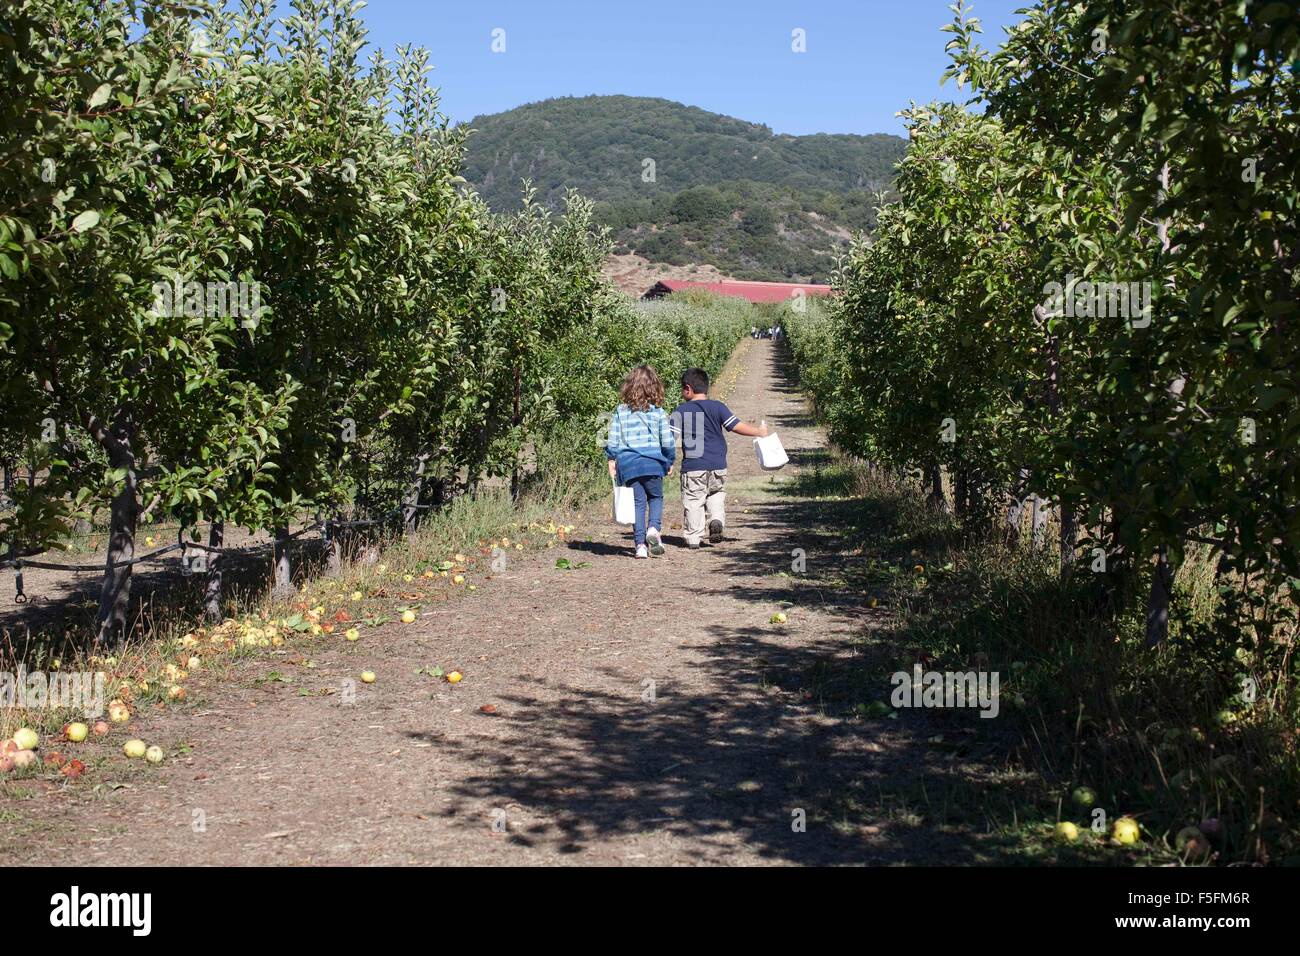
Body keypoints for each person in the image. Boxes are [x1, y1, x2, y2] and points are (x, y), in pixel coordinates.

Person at [669, 368, 767, 549]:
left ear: (688, 389)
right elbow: (736, 426)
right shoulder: (718, 407)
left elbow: (669, 439)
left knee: (694, 500)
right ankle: (716, 520)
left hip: (693, 465)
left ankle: (693, 537)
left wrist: (665, 459)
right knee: (716, 494)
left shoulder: (681, 411)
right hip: (717, 464)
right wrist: (759, 432)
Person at [605, 365, 675, 558]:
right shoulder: (658, 412)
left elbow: (613, 438)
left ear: (629, 386)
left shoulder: (621, 411)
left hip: (629, 465)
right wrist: (669, 460)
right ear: (655, 387)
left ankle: (640, 546)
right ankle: (654, 528)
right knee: (656, 497)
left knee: (637, 503)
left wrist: (612, 458)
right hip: (653, 462)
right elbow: (667, 441)